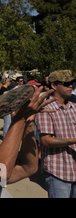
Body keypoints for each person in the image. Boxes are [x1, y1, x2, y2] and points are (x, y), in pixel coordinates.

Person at [35, 70, 76, 198]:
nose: (71, 86)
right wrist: (74, 140)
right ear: (54, 86)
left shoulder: (74, 107)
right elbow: (46, 141)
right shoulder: (45, 110)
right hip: (59, 172)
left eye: (72, 83)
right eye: (66, 83)